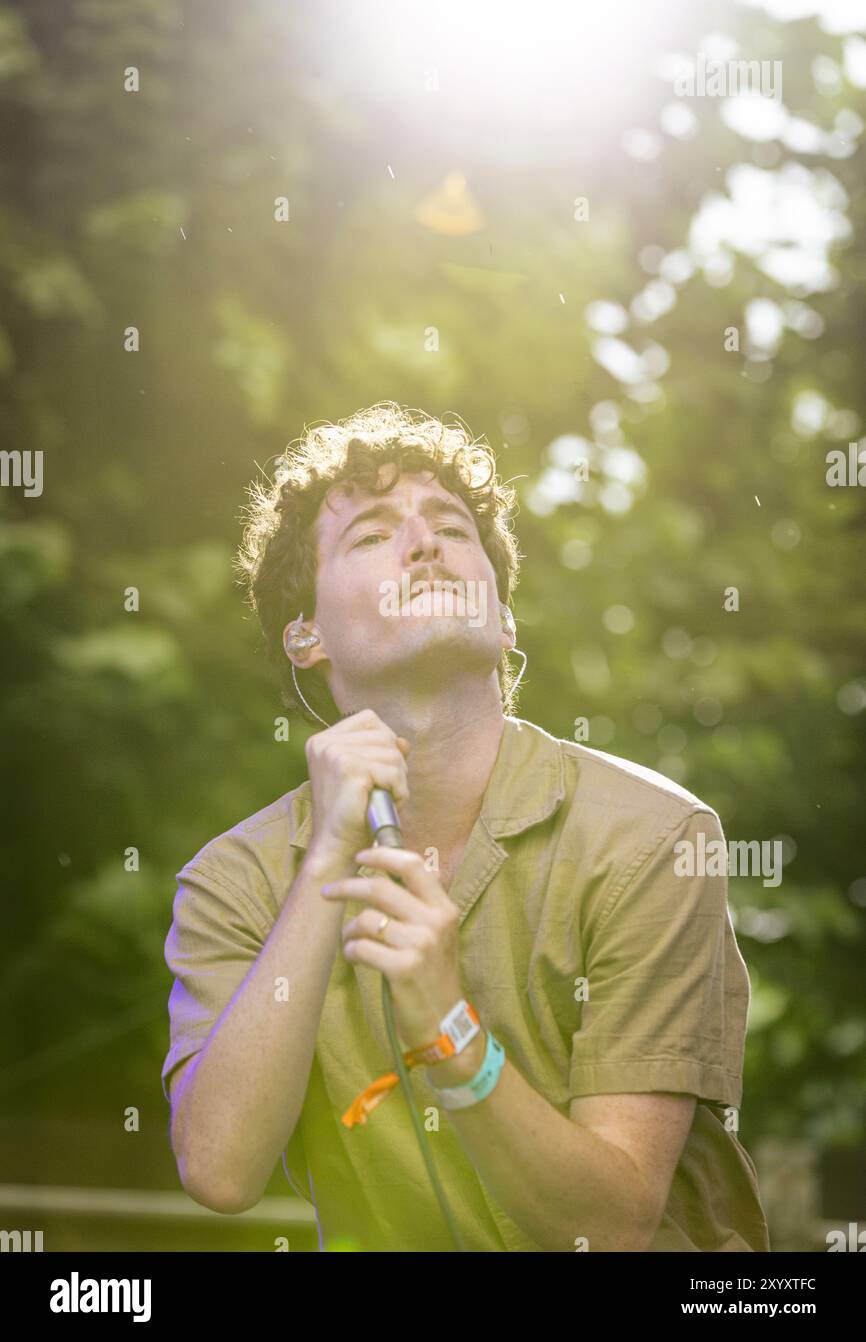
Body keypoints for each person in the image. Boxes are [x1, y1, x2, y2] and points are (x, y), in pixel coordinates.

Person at [161, 400, 771, 1252]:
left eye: (451, 526)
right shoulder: (235, 880)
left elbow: (610, 1226)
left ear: (505, 617)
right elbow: (220, 1170)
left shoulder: (654, 837)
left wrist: (450, 1031)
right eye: (372, 536)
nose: (424, 544)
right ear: (306, 635)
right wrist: (326, 864)